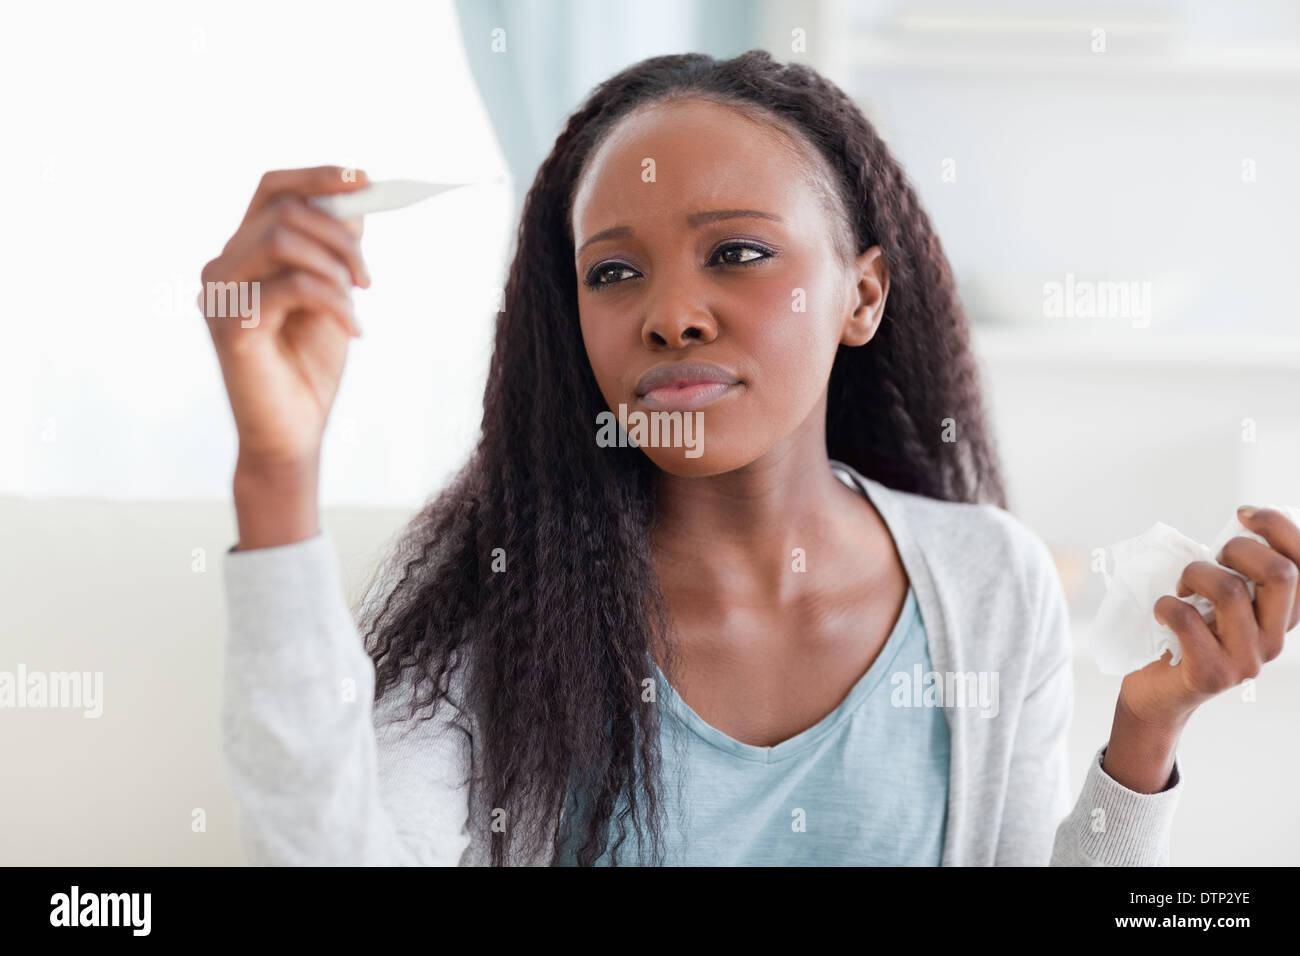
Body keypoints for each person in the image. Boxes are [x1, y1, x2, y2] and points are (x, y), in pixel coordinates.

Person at [202, 50, 1300, 866]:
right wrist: (275, 475)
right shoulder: (492, 600)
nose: (671, 312)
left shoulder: (987, 583)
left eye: (735, 253)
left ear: (859, 293)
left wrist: (1144, 733)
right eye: (613, 272)